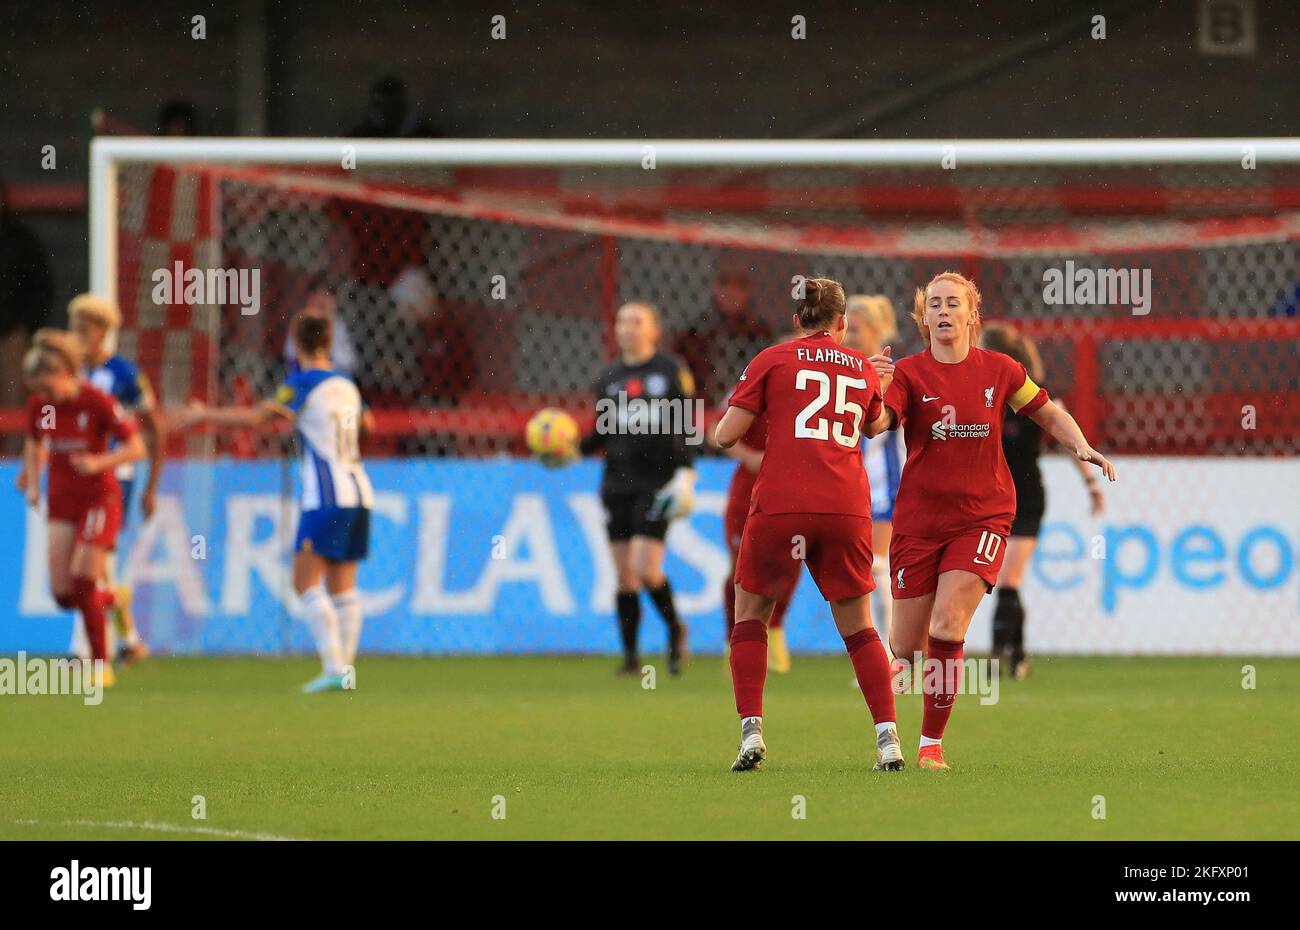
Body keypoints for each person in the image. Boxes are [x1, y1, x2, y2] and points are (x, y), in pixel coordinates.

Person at [866, 272, 1117, 771]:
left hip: (983, 516)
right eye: (933, 303)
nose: (942, 310)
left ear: (970, 314)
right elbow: (876, 427)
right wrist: (873, 392)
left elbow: (1048, 412)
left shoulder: (1001, 370)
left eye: (952, 302)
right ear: (923, 317)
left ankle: (930, 745)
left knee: (948, 623)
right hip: (917, 521)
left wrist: (1081, 445)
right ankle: (892, 719)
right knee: (906, 648)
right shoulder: (910, 375)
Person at [715, 277, 902, 773]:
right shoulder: (863, 369)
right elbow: (877, 424)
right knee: (859, 625)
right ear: (842, 324)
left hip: (782, 504)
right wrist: (876, 385)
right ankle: (888, 739)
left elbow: (724, 436)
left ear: (797, 320)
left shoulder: (773, 359)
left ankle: (751, 731)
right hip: (845, 507)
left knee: (750, 614)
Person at [175, 313, 373, 693]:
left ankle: (335, 669)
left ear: (296, 344)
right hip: (359, 489)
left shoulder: (303, 381)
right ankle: (345, 672)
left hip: (326, 495)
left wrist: (204, 415)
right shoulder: (347, 385)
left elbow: (260, 418)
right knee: (344, 587)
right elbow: (370, 425)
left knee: (304, 582)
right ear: (329, 343)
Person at [18, 329, 145, 688]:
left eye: (47, 388)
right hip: (61, 500)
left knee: (84, 579)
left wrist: (99, 461)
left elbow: (136, 447)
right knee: (62, 594)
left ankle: (100, 666)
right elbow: (35, 441)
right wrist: (31, 476)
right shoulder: (43, 407)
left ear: (66, 374)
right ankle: (115, 599)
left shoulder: (97, 403)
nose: (43, 397)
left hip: (99, 499)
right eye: (38, 391)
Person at [574, 302, 695, 677]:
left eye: (637, 322)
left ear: (655, 330)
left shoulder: (670, 372)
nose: (628, 328)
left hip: (656, 481)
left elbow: (687, 426)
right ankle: (631, 659)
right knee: (624, 575)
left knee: (646, 569)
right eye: (622, 321)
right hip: (616, 483)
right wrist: (570, 450)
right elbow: (603, 432)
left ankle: (675, 629)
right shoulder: (609, 377)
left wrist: (686, 474)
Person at [980, 322, 1105, 679]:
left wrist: (1091, 485)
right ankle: (1015, 657)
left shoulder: (1035, 401)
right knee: (997, 583)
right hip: (990, 499)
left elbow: (1071, 445)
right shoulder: (984, 399)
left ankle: (1000, 659)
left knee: (1007, 581)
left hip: (1027, 501)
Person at [68, 294, 165, 665]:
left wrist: (152, 484)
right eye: (74, 325)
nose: (77, 334)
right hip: (74, 477)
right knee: (96, 564)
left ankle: (82, 649)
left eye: (85, 327)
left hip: (113, 475)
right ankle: (132, 640)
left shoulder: (124, 375)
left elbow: (154, 426)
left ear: (103, 332)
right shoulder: (68, 372)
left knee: (90, 560)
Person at [717, 331, 800, 673]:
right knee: (741, 568)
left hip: (795, 490)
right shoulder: (758, 377)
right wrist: (750, 457)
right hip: (749, 491)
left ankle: (775, 631)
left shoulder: (815, 389)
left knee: (789, 565)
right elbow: (718, 432)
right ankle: (734, 639)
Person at [843, 295, 904, 658]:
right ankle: (884, 653)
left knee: (877, 568)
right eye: (846, 328)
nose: (849, 337)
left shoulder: (890, 374)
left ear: (878, 332)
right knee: (863, 572)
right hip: (849, 485)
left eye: (858, 329)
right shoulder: (844, 370)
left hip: (884, 484)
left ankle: (893, 655)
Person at [0, 177, 55, 448]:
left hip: (11, 336)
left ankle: (12, 464)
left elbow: (42, 288)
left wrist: (25, 328)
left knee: (14, 400)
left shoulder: (20, 241)